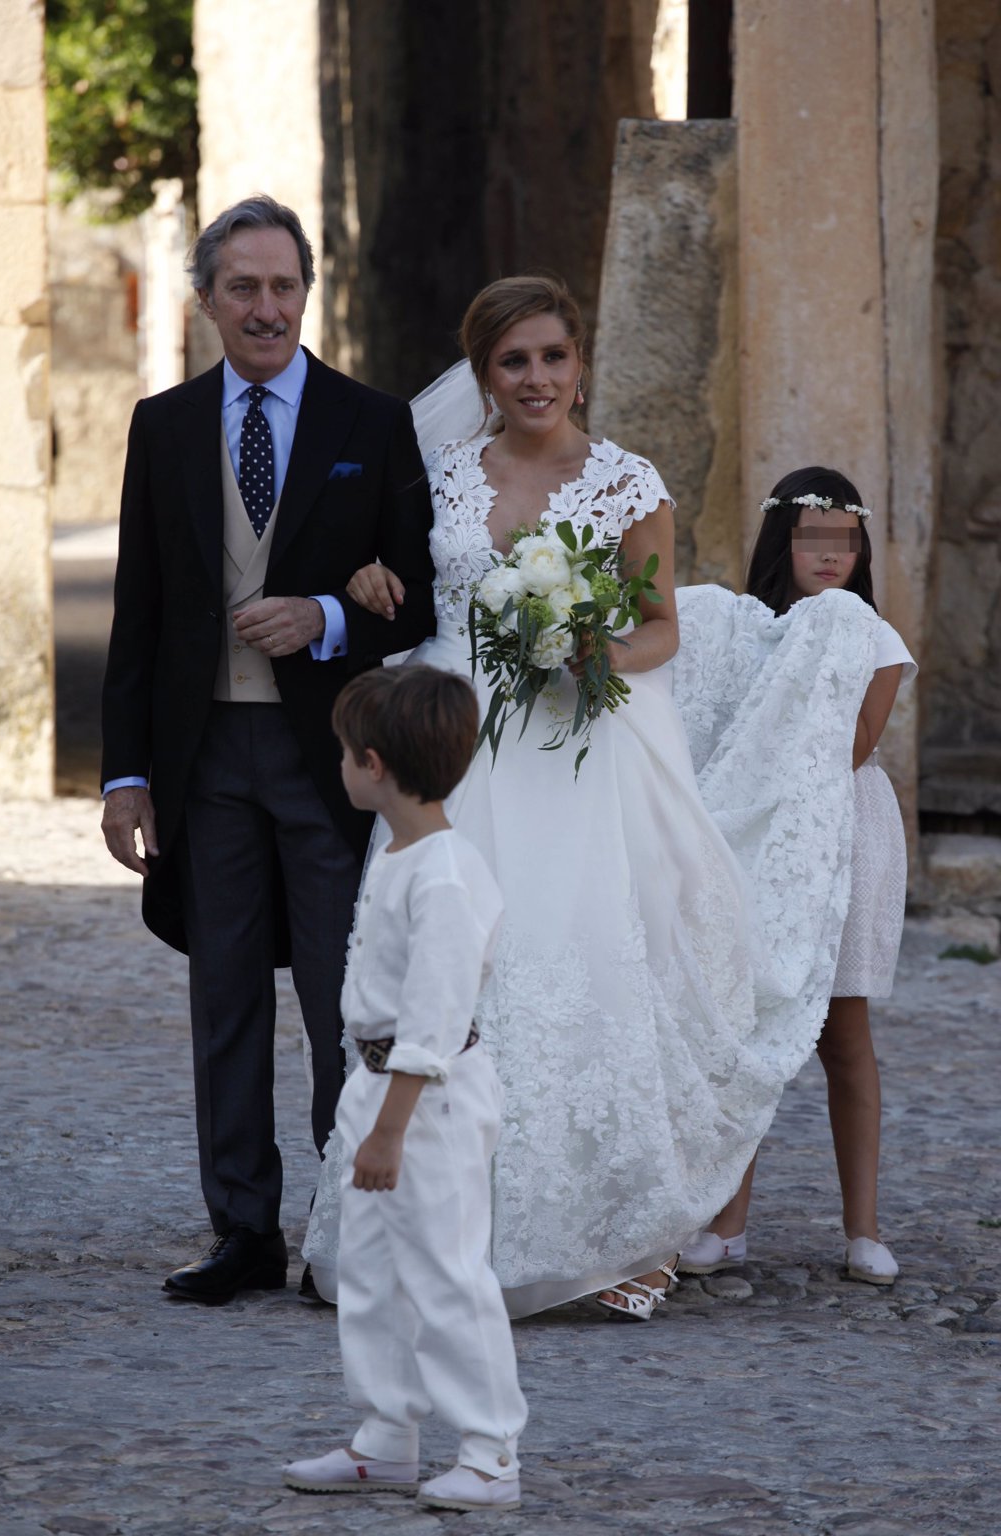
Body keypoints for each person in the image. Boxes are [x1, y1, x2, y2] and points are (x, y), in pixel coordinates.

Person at [304, 275, 827, 1320]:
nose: (535, 378)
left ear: (579, 363)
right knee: (455, 969)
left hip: (578, 750)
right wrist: (366, 581)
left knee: (573, 966)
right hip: (453, 748)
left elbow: (660, 629)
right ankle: (420, 1216)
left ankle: (608, 1230)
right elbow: (396, 572)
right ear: (484, 375)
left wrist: (586, 646)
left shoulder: (628, 484)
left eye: (551, 356)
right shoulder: (441, 471)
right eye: (513, 361)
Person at [100, 194, 435, 1303]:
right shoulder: (165, 425)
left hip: (333, 757)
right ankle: (240, 1229)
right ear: (206, 303)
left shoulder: (371, 421)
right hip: (205, 765)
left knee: (345, 1000)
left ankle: (347, 1225)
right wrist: (127, 772)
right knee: (227, 999)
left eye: (283, 285)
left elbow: (418, 595)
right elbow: (139, 611)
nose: (266, 307)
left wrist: (325, 620)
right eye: (242, 287)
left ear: (307, 291)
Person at [283, 666, 526, 1513]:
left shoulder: (447, 875)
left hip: (429, 1101)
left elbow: (434, 1015)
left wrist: (390, 1129)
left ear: (375, 764)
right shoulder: (400, 851)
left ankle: (491, 1453)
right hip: (377, 1085)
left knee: (446, 1270)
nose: (340, 765)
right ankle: (387, 1435)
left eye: (346, 754)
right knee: (374, 1267)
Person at [679, 468, 916, 1286]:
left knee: (843, 1038)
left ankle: (863, 1228)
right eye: (812, 536)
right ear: (782, 540)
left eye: (845, 539)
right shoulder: (750, 631)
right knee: (746, 1027)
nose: (829, 555)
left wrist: (826, 639)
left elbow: (847, 747)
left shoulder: (871, 638)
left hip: (842, 831)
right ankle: (728, 1223)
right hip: (760, 835)